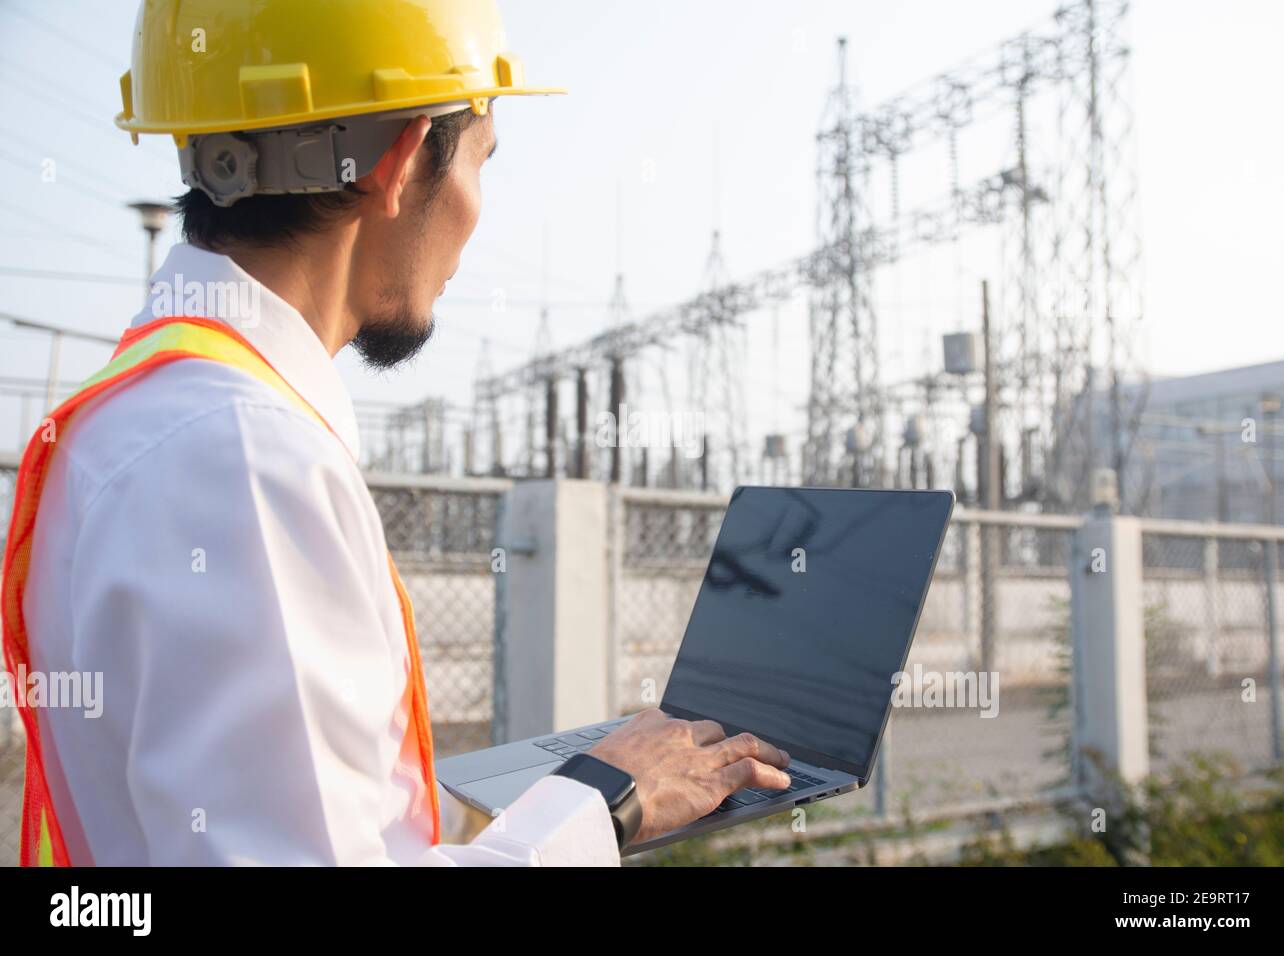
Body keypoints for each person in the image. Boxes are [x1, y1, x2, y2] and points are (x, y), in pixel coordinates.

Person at [0, 0, 790, 866]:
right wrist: (606, 801)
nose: (478, 212)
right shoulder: (245, 460)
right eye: (483, 161)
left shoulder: (137, 409)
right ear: (404, 161)